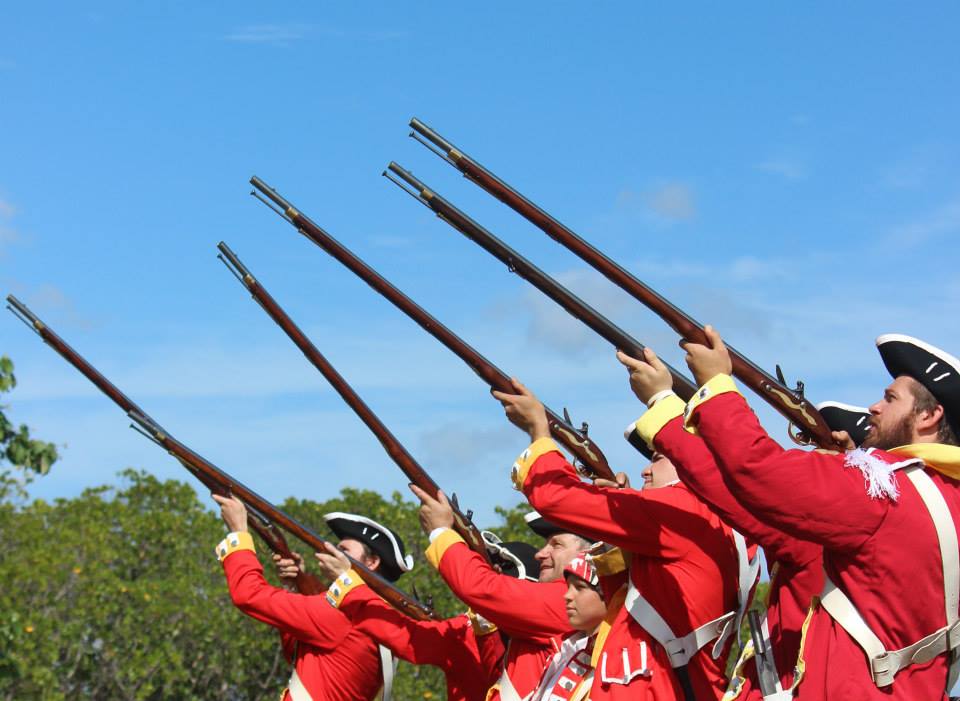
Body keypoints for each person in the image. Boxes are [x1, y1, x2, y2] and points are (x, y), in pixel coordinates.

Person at [677, 327, 960, 699]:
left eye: (890, 398)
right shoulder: (942, 497)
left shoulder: (886, 489)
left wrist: (716, 385)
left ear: (929, 416)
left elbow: (757, 469)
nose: (875, 407)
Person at [493, 379, 747, 701]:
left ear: (692, 459)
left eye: (657, 458)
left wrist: (539, 433)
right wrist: (617, 513)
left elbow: (554, 497)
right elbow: (619, 597)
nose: (644, 471)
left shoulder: (686, 513)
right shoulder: (694, 523)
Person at [213, 494, 412, 701]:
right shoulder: (373, 616)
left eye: (344, 550)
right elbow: (297, 654)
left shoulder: (344, 615)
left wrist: (239, 533)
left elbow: (248, 594)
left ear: (371, 562)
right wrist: (294, 583)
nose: (335, 552)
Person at [410, 484, 589, 701]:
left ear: (587, 553)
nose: (541, 554)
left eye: (556, 545)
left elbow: (482, 587)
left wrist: (441, 533)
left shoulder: (565, 598)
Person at [315, 538, 538, 701]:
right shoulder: (465, 629)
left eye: (499, 569)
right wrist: (347, 584)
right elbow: (403, 636)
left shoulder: (558, 639)